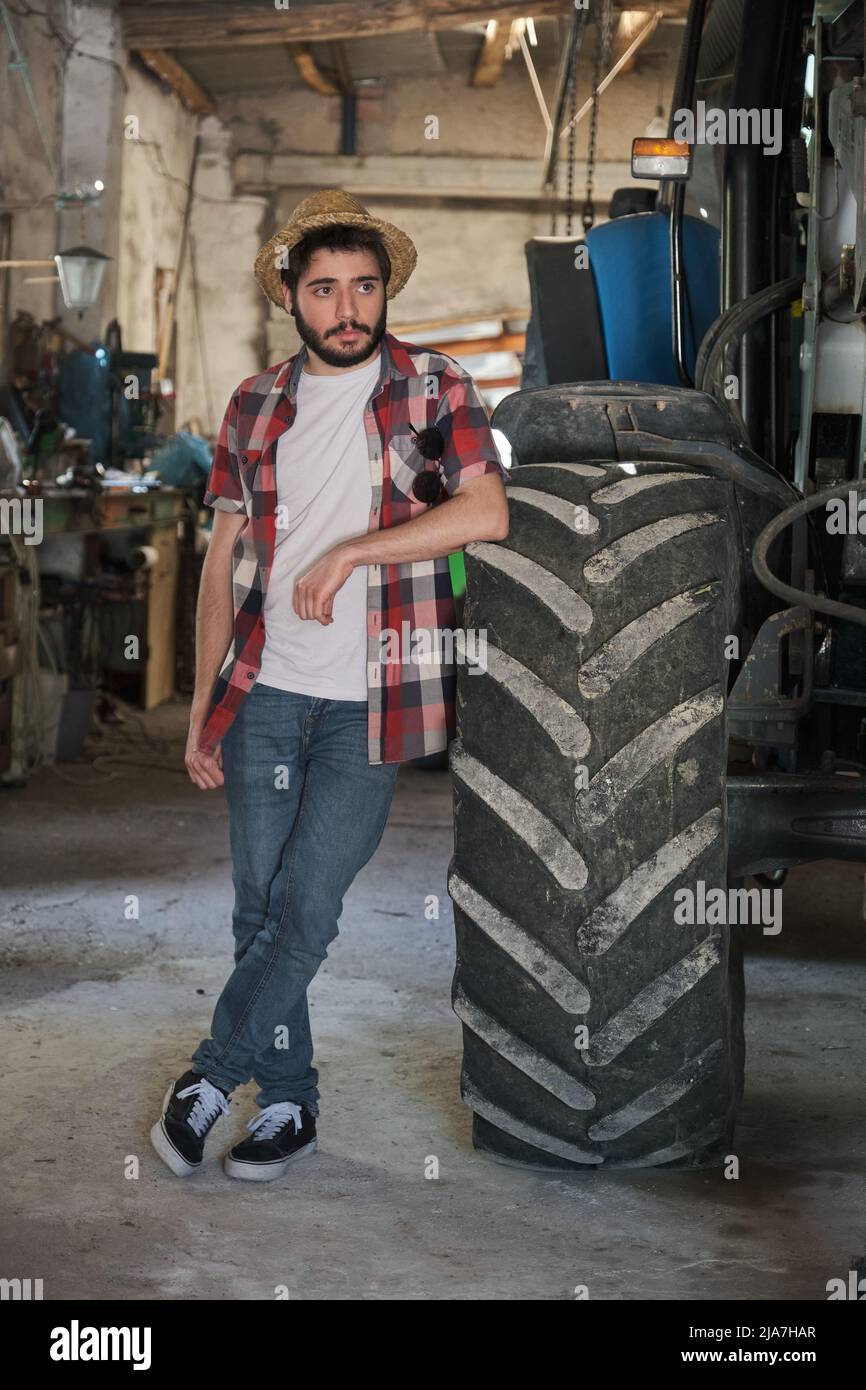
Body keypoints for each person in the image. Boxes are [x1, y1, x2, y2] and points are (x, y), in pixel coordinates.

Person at [150, 189, 510, 1182]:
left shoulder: (433, 387)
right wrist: (201, 704)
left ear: (382, 291)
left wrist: (356, 548)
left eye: (362, 286)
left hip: (372, 701)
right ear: (290, 297)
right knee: (257, 906)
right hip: (263, 693)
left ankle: (212, 1077)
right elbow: (219, 565)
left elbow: (484, 512)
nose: (345, 306)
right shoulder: (253, 404)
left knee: (306, 904)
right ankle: (291, 1104)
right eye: (323, 288)